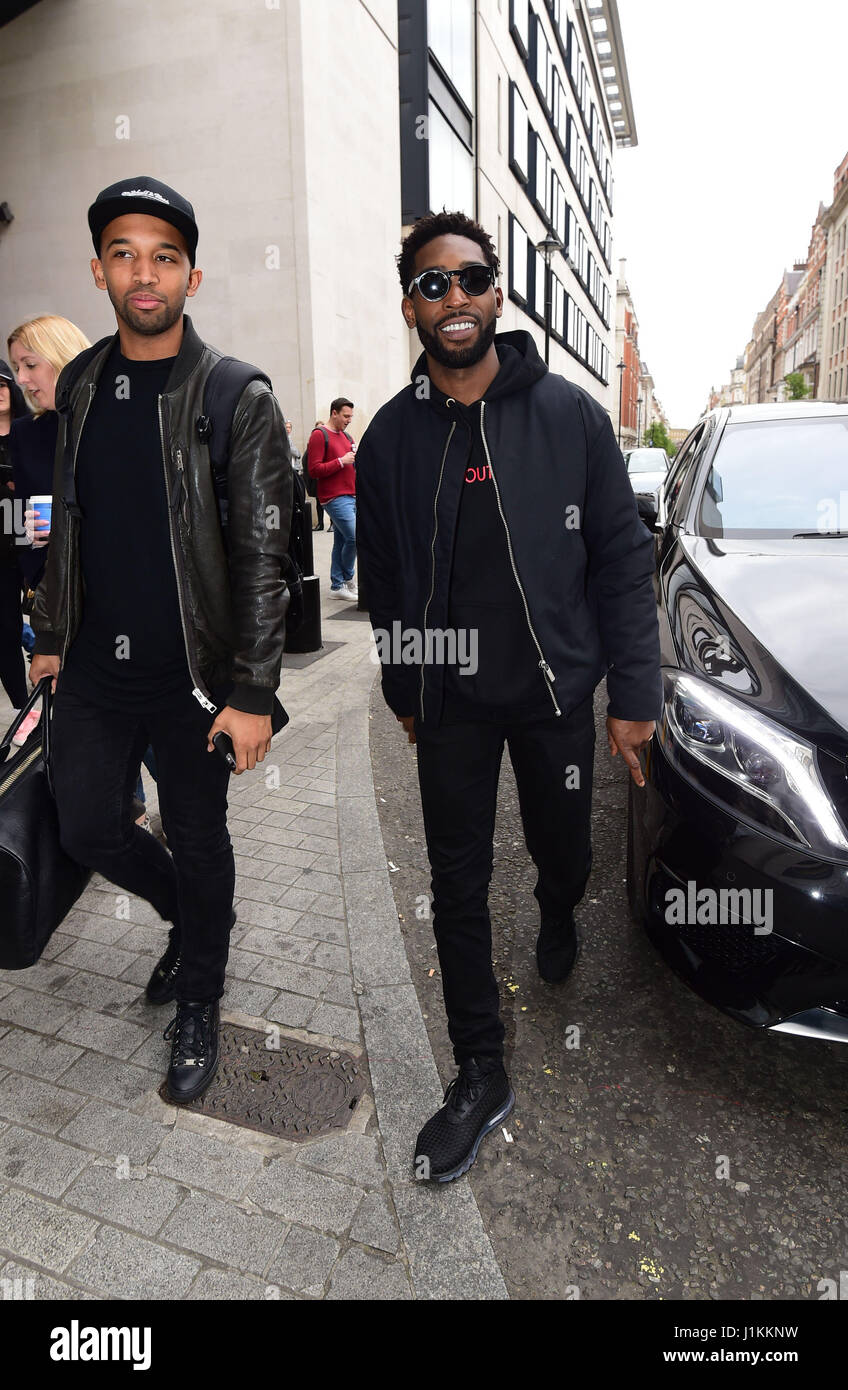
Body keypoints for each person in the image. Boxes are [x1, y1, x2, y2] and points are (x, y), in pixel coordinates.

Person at [356, 210, 662, 1183]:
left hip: (549, 693)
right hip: (449, 703)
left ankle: (558, 903)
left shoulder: (566, 415)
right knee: (453, 883)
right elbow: (388, 583)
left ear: (496, 292)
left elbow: (618, 556)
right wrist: (406, 685)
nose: (453, 298)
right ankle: (477, 1070)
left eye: (469, 279)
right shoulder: (390, 436)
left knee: (561, 842)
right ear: (411, 303)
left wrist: (630, 693)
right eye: (431, 284)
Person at [29, 175, 292, 1104]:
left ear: (195, 275)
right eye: (125, 255)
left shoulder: (235, 394)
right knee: (88, 823)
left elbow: (266, 553)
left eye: (165, 257)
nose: (146, 274)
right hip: (96, 668)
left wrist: (252, 693)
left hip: (195, 676)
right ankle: (188, 918)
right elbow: (71, 517)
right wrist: (53, 631)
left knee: (199, 831)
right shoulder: (81, 384)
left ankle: (202, 996)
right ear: (98, 270)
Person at [7, 316, 92, 745]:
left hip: (120, 598)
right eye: (16, 368)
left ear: (61, 357)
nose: (21, 379)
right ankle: (128, 811)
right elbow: (26, 520)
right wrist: (29, 538)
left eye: (29, 364)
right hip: (59, 603)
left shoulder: (107, 420)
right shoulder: (27, 433)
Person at [0, 360, 30, 719]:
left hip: (34, 538)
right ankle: (24, 711)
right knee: (6, 628)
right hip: (2, 549)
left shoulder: (30, 432)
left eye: (3, 385)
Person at [306, 398, 357, 599]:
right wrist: (340, 461)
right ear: (334, 413)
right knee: (355, 536)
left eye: (351, 416)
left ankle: (338, 586)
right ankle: (347, 578)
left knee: (342, 540)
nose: (349, 420)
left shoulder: (347, 437)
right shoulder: (319, 436)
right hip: (334, 497)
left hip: (351, 495)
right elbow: (314, 470)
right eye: (346, 416)